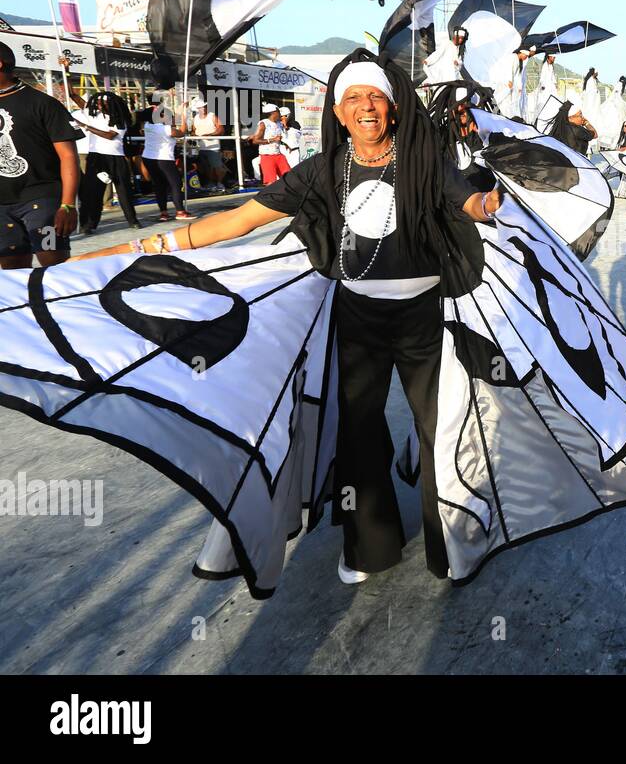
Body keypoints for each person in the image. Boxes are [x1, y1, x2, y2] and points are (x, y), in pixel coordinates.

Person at [77, 54, 502, 585]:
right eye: (353, 100)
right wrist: (141, 248)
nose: (365, 107)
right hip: (357, 319)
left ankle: (453, 545)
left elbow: (470, 203)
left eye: (374, 97)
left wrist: (488, 202)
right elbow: (238, 221)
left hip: (424, 318)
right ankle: (370, 547)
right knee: (360, 430)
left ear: (392, 108)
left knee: (440, 425)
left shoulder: (424, 160)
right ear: (340, 114)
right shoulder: (320, 171)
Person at [0, 43, 80, 268]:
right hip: (2, 208)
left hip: (43, 203)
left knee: (55, 266)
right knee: (12, 273)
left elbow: (68, 157)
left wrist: (67, 206)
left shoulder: (43, 104)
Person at [75, 92, 142, 232]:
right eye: (98, 102)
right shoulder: (94, 114)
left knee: (124, 191)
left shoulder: (120, 118)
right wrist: (67, 71)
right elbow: (73, 96)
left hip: (116, 157)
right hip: (97, 157)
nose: (99, 105)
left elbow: (110, 135)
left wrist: (86, 127)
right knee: (93, 193)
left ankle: (132, 220)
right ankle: (87, 224)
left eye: (102, 102)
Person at [141, 99, 190, 221]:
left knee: (159, 185)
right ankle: (180, 211)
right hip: (163, 159)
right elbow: (183, 132)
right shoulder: (165, 129)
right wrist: (185, 115)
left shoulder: (148, 126)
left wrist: (181, 109)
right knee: (175, 183)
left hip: (149, 157)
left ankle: (164, 213)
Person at [188, 97, 227, 192]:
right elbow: (193, 131)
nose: (204, 108)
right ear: (197, 109)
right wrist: (195, 136)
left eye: (204, 106)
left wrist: (209, 135)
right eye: (201, 107)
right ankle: (211, 183)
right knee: (206, 167)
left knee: (217, 167)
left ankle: (219, 183)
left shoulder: (212, 116)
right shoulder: (196, 118)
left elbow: (221, 129)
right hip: (201, 147)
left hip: (213, 146)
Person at [249, 102, 291, 186]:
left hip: (278, 155)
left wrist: (285, 143)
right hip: (267, 156)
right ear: (273, 113)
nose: (280, 114)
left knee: (289, 178)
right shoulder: (263, 124)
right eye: (279, 112)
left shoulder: (279, 123)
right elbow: (255, 141)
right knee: (271, 183)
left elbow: (280, 137)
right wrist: (272, 139)